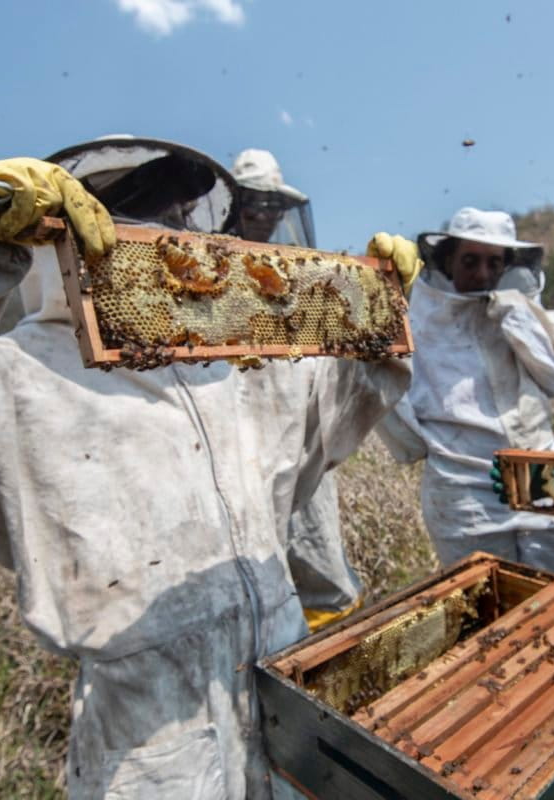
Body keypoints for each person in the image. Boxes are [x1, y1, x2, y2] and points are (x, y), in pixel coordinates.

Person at [0, 136, 420, 800]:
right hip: (154, 737)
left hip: (289, 690)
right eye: (133, 207)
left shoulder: (243, 369)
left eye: (177, 214)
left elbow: (327, 427)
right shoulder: (10, 378)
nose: (161, 231)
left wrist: (372, 322)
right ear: (59, 226)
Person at [377, 207, 554, 580]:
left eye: (494, 262)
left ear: (508, 265)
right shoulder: (418, 320)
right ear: (447, 260)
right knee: (487, 605)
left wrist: (516, 317)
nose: (482, 274)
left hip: (542, 477)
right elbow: (388, 395)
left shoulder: (523, 309)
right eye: (470, 261)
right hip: (464, 491)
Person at [230, 147, 363, 630]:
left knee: (317, 557)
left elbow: (328, 371)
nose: (263, 216)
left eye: (273, 207)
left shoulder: (298, 284)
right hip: (237, 446)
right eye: (252, 203)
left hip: (301, 439)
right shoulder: (210, 279)